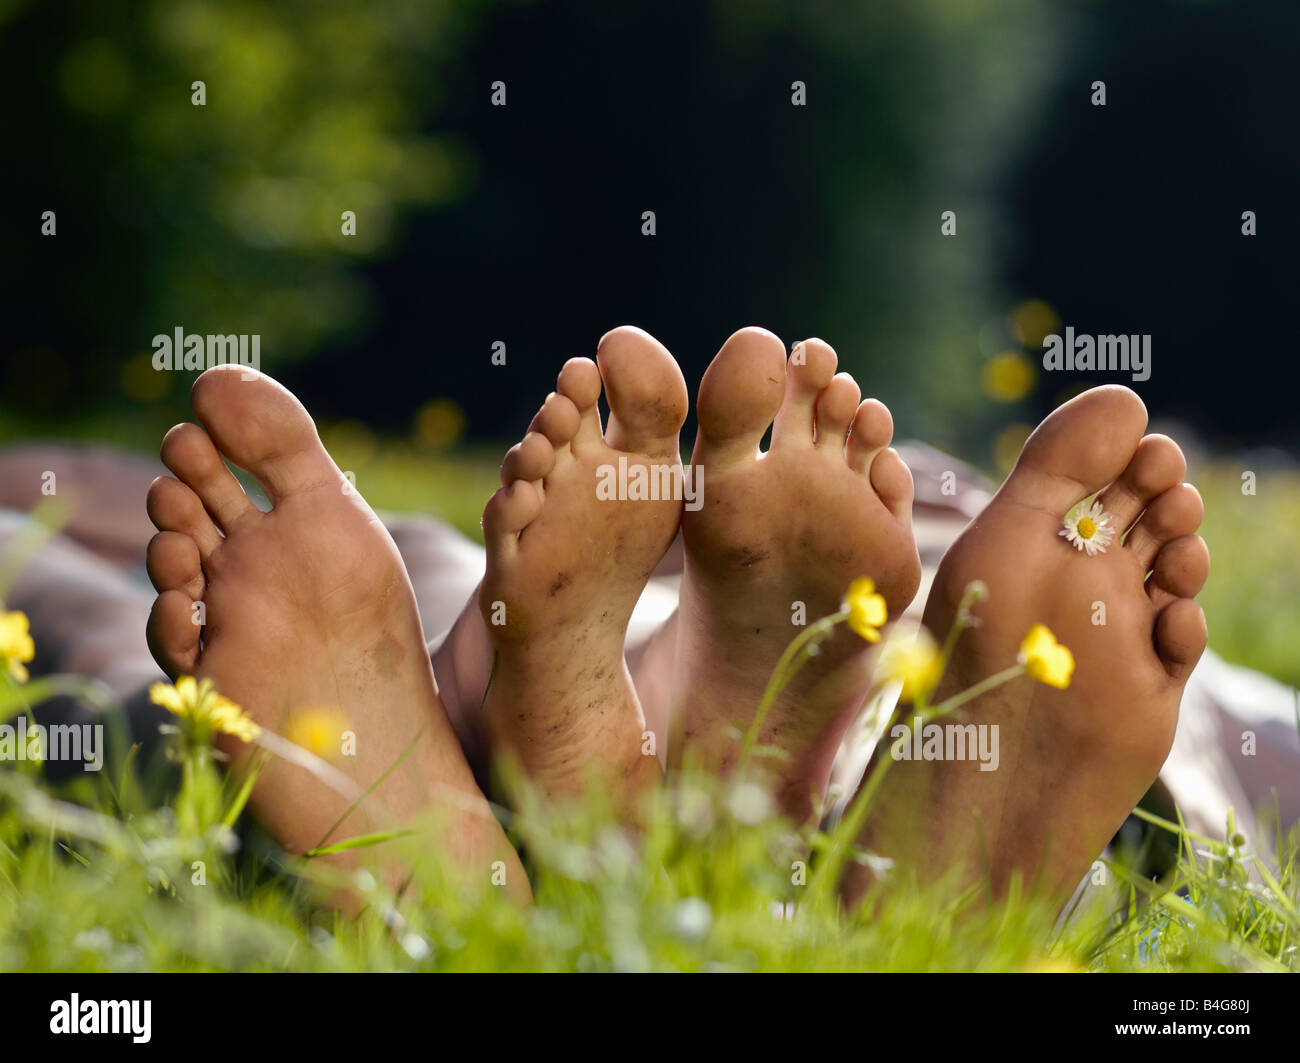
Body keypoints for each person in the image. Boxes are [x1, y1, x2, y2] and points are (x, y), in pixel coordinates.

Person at [2, 325, 1288, 910]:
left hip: (708, 617)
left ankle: (461, 797)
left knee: (372, 566)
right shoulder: (1009, 524)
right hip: (1116, 712)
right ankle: (867, 865)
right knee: (1205, 736)